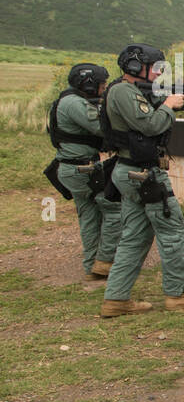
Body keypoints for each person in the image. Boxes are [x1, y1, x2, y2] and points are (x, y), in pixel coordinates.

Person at [99, 44, 184, 317]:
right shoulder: (124, 92)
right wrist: (167, 105)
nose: (159, 72)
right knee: (173, 231)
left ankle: (115, 299)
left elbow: (148, 114)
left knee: (135, 237)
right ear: (136, 68)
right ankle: (176, 294)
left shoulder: (124, 91)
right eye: (154, 67)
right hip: (144, 174)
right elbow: (151, 124)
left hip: (132, 171)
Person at [49, 63, 121, 284]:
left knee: (89, 216)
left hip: (72, 167)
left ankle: (92, 265)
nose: (104, 87)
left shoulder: (67, 101)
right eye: (102, 84)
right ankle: (105, 262)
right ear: (88, 85)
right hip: (82, 169)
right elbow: (102, 127)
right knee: (115, 210)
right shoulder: (74, 104)